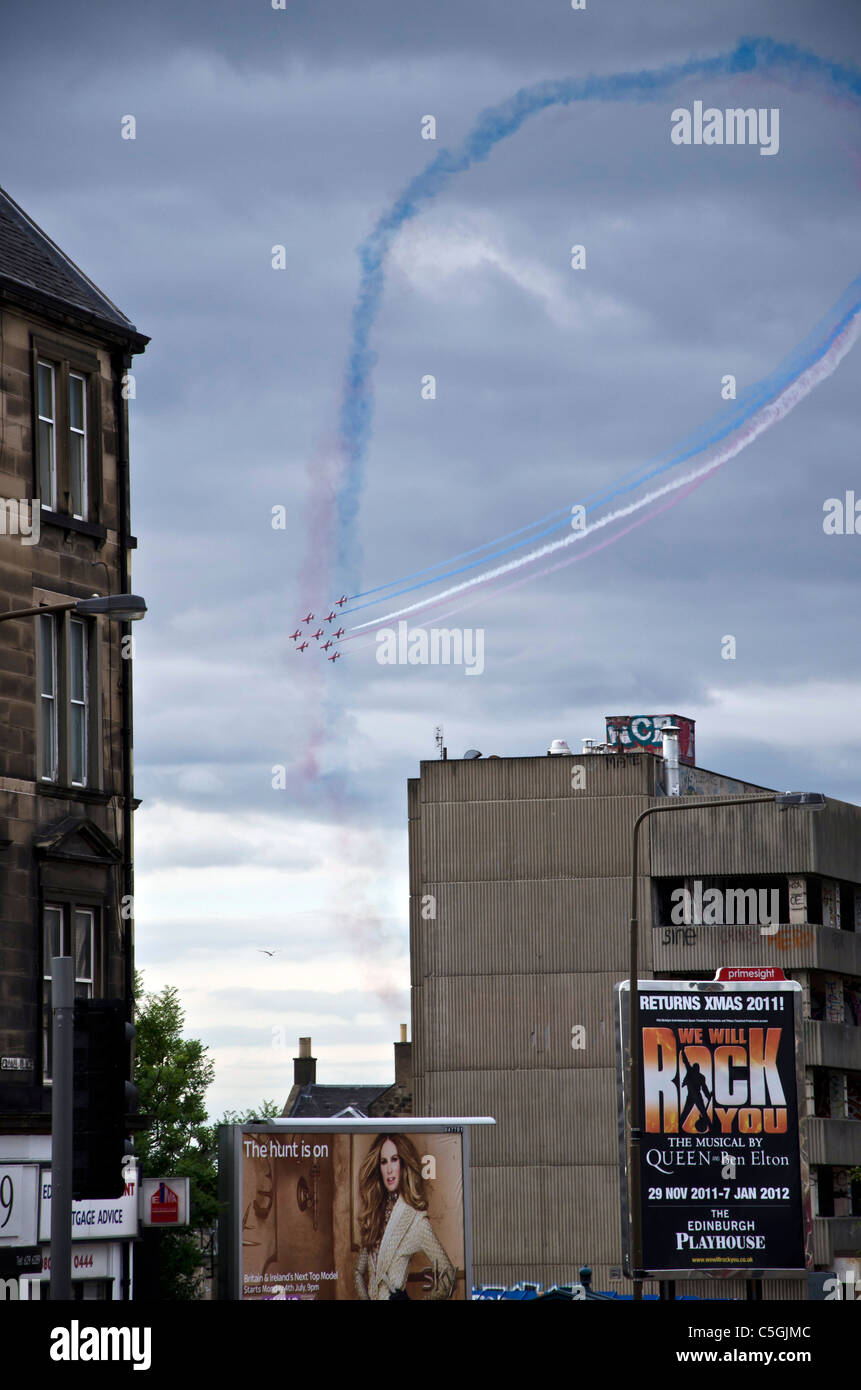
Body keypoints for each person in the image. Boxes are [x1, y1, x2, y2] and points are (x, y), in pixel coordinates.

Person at [354, 1133, 455, 1300]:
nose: (389, 1169)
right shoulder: (374, 1214)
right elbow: (358, 1271)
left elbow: (449, 1275)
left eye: (394, 1159)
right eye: (383, 1161)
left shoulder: (415, 1219)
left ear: (404, 1163)